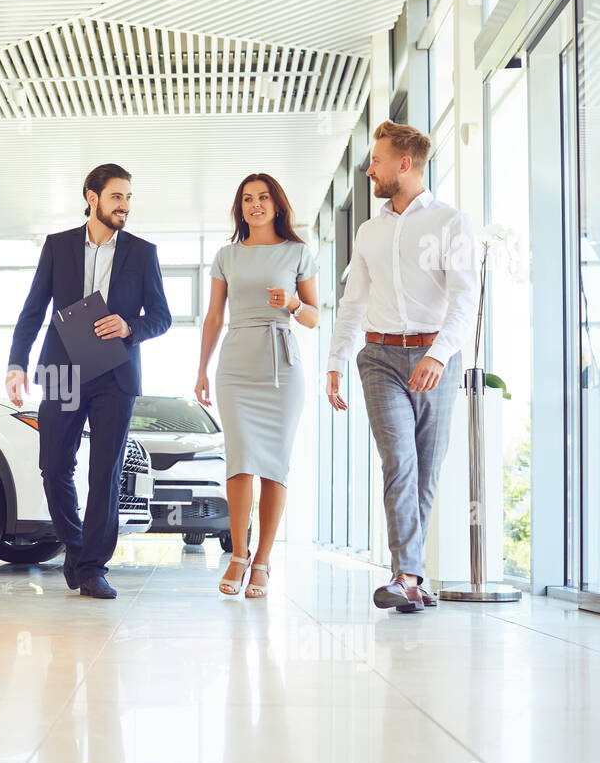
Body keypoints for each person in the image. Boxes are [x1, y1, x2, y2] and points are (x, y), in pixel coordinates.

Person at [326, 121, 478, 613]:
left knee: (425, 472)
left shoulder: (452, 223)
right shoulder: (370, 231)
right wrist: (336, 360)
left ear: (404, 164)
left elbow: (464, 297)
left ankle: (413, 580)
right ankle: (405, 573)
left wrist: (439, 353)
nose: (370, 169)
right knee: (400, 462)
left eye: (376, 161)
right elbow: (352, 304)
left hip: (437, 357)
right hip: (380, 358)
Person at [6, 163, 172, 599]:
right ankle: (77, 550)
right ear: (92, 197)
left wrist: (128, 325)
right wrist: (16, 363)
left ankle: (94, 566)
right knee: (55, 465)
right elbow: (33, 308)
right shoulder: (58, 246)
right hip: (62, 369)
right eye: (117, 197)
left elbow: (162, 317)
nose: (125, 206)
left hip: (116, 374)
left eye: (129, 198)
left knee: (106, 471)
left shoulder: (142, 252)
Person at [195, 173, 319, 597]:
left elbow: (314, 317)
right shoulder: (226, 256)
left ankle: (263, 561)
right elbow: (213, 317)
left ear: (277, 205)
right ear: (240, 208)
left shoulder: (298, 252)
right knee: (241, 460)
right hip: (236, 366)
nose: (255, 205)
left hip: (282, 366)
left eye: (263, 198)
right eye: (247, 199)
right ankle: (239, 555)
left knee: (274, 465)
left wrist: (293, 303)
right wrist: (200, 370)